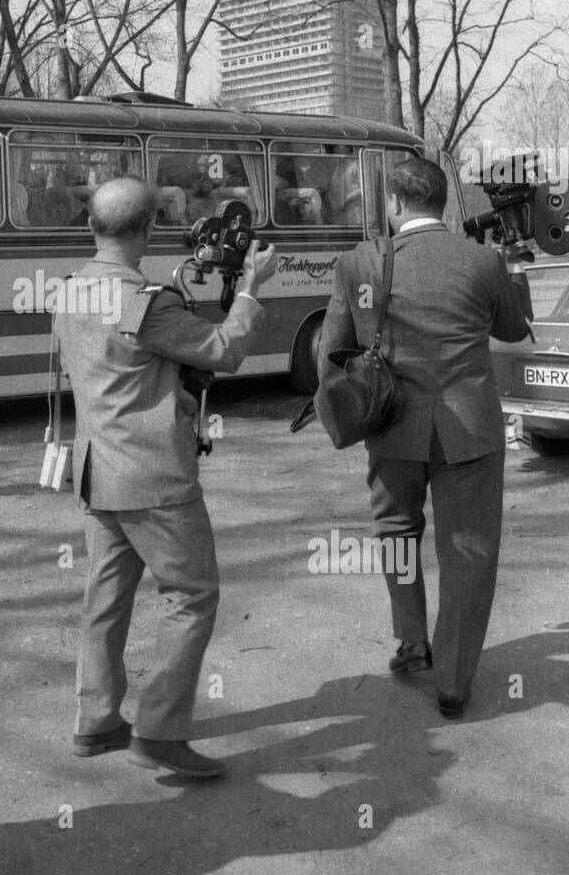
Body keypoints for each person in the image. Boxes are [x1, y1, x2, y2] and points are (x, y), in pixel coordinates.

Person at [53, 176, 275, 779]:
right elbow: (224, 350)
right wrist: (251, 289)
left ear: (93, 226)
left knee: (105, 600)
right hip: (153, 478)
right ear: (148, 230)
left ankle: (96, 720)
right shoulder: (148, 303)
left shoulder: (69, 291)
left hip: (99, 472)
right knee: (192, 595)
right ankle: (160, 732)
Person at [316, 157, 533, 720]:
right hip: (469, 430)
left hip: (389, 427)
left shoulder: (358, 263)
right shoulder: (483, 261)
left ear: (392, 204)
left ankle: (412, 642)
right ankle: (454, 683)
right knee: (468, 551)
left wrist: (346, 411)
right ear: (442, 203)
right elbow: (513, 330)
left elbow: (330, 353)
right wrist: (513, 268)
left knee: (395, 531)